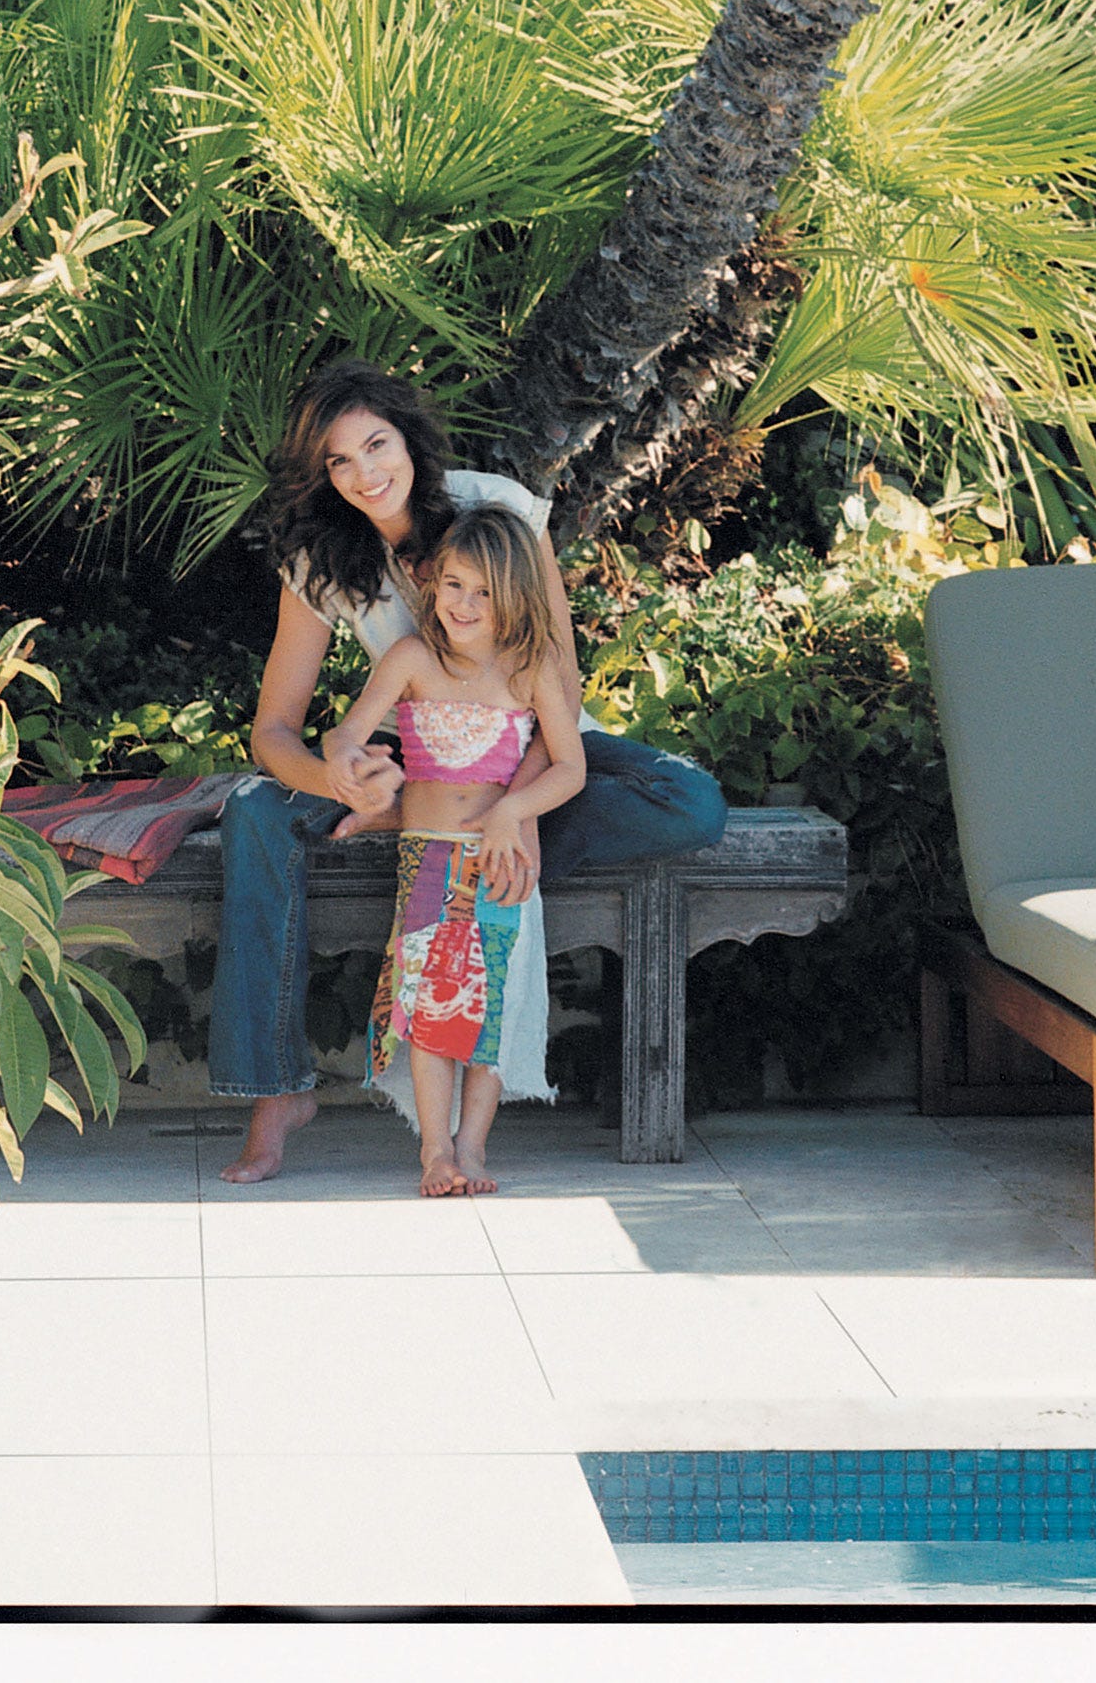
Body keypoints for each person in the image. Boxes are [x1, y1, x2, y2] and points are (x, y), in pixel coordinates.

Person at [210, 356, 727, 1185]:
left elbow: (556, 677)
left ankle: (454, 853)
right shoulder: (319, 559)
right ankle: (274, 1091)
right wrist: (336, 776)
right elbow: (274, 730)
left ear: (408, 439)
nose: (362, 473)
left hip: (533, 750)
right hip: (419, 763)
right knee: (254, 814)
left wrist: (512, 809)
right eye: (337, 461)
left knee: (689, 801)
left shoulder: (496, 507)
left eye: (375, 445)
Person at [326, 507, 583, 1196]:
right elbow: (345, 735)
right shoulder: (412, 659)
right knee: (426, 1008)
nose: (463, 605)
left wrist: (511, 811)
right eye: (454, 586)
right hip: (426, 864)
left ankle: (471, 1150)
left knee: (489, 1006)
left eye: (484, 593)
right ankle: (433, 1152)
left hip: (499, 864)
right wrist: (352, 766)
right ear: (433, 584)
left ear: (515, 600)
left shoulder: (529, 669)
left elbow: (569, 767)